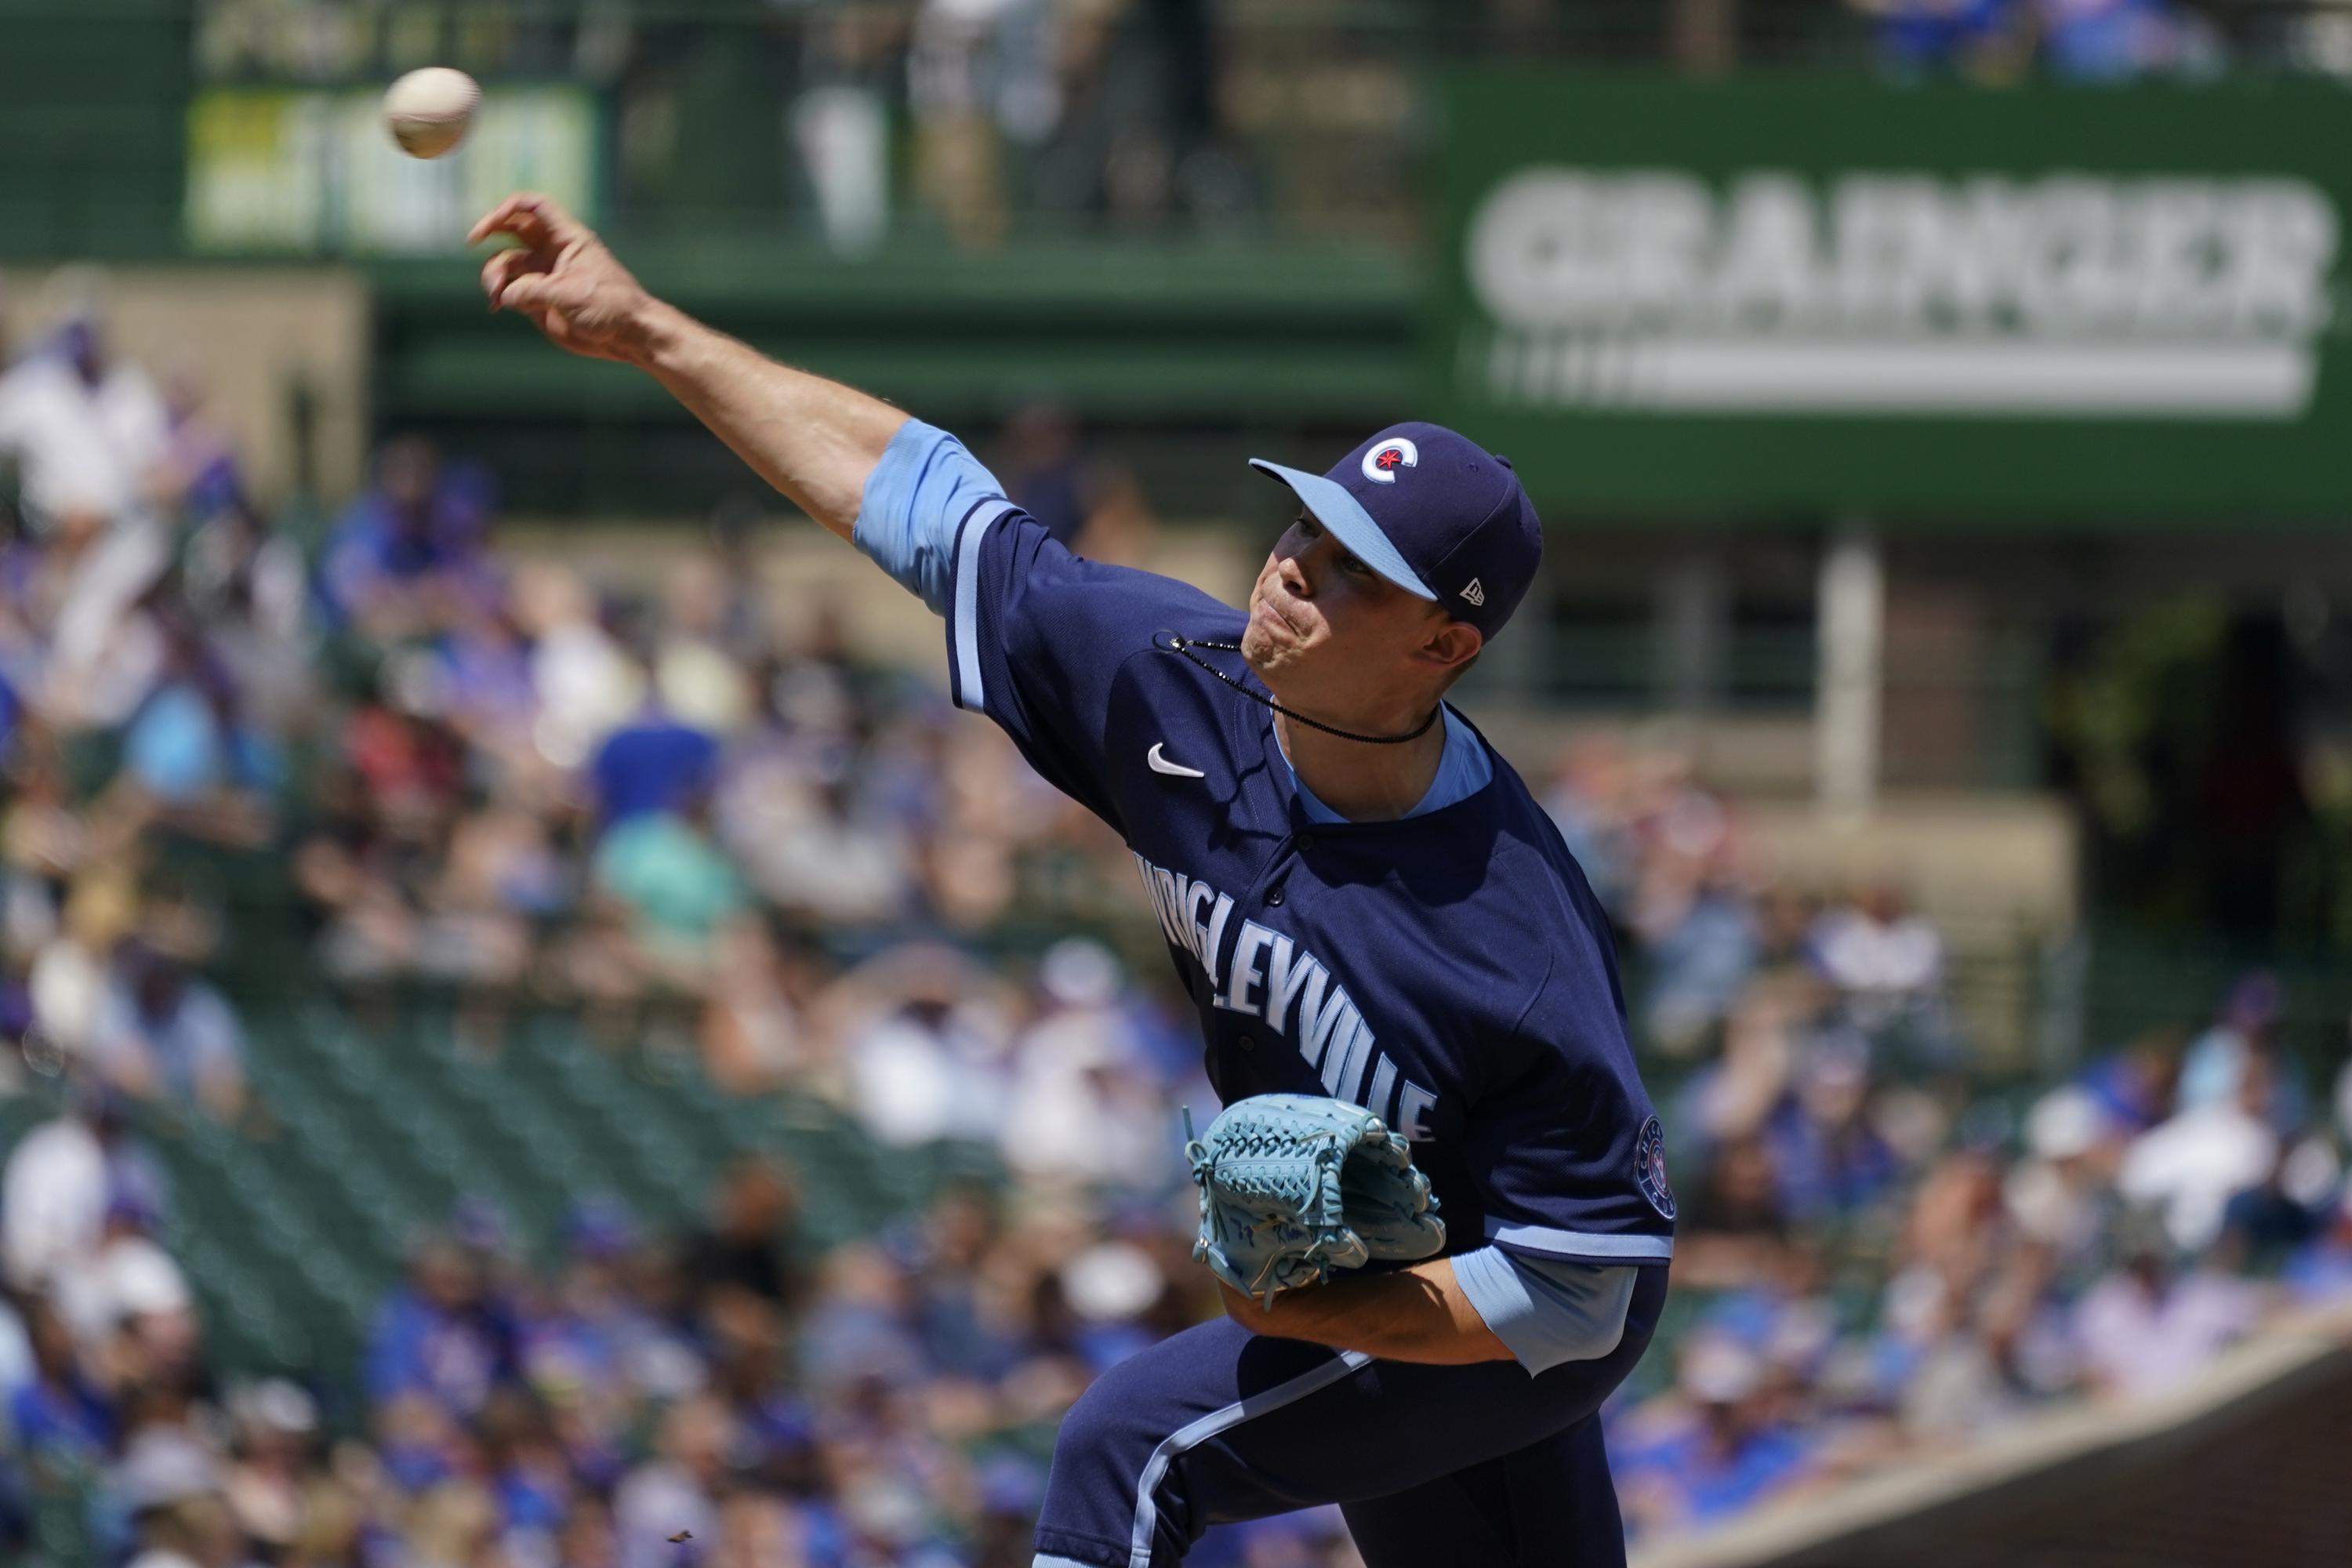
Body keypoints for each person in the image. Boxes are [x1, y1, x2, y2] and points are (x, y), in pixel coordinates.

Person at [466, 191, 1674, 1568]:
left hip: (1514, 1305)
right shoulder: (1173, 683)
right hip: (1398, 1284)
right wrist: (651, 331)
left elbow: (1588, 1291)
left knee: (1127, 1448)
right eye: (1305, 533)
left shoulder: (1510, 934)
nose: (1292, 574)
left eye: (1353, 575)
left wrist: (1340, 1317)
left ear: (1444, 649)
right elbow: (929, 502)